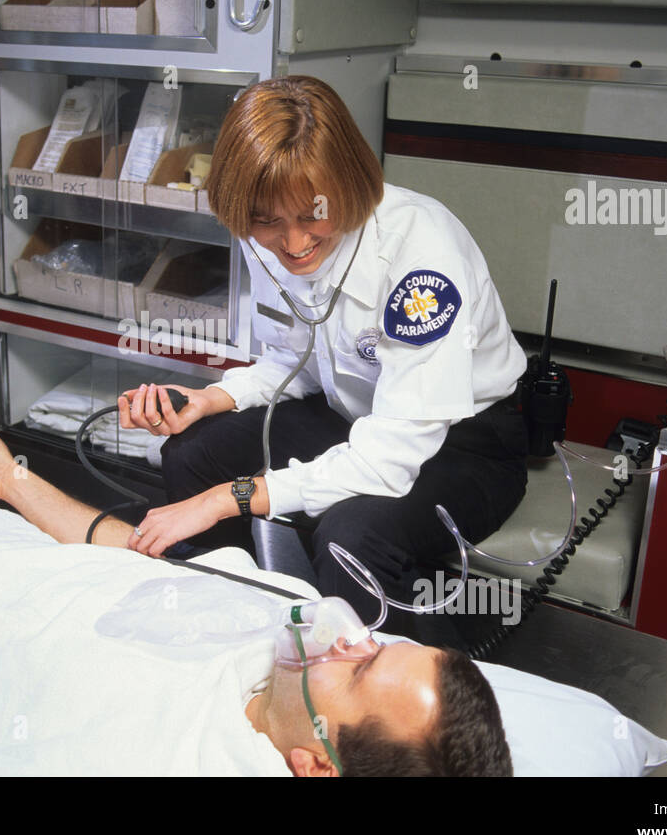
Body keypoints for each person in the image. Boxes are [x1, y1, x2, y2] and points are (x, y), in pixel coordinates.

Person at [113, 76, 529, 646]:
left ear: (348, 184)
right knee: (191, 454)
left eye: (312, 214)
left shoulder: (422, 261)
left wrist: (227, 499)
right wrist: (212, 400)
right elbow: (295, 357)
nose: (292, 243)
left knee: (349, 540)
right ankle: (239, 639)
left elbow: (387, 462)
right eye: (266, 221)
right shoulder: (264, 231)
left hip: (465, 443)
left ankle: (383, 698)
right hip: (352, 413)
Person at [0, 419, 513, 776]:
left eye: (357, 670)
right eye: (377, 645)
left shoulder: (162, 751)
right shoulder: (280, 610)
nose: (346, 633)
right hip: (21, 558)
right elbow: (129, 555)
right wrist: (12, 482)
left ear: (314, 766)